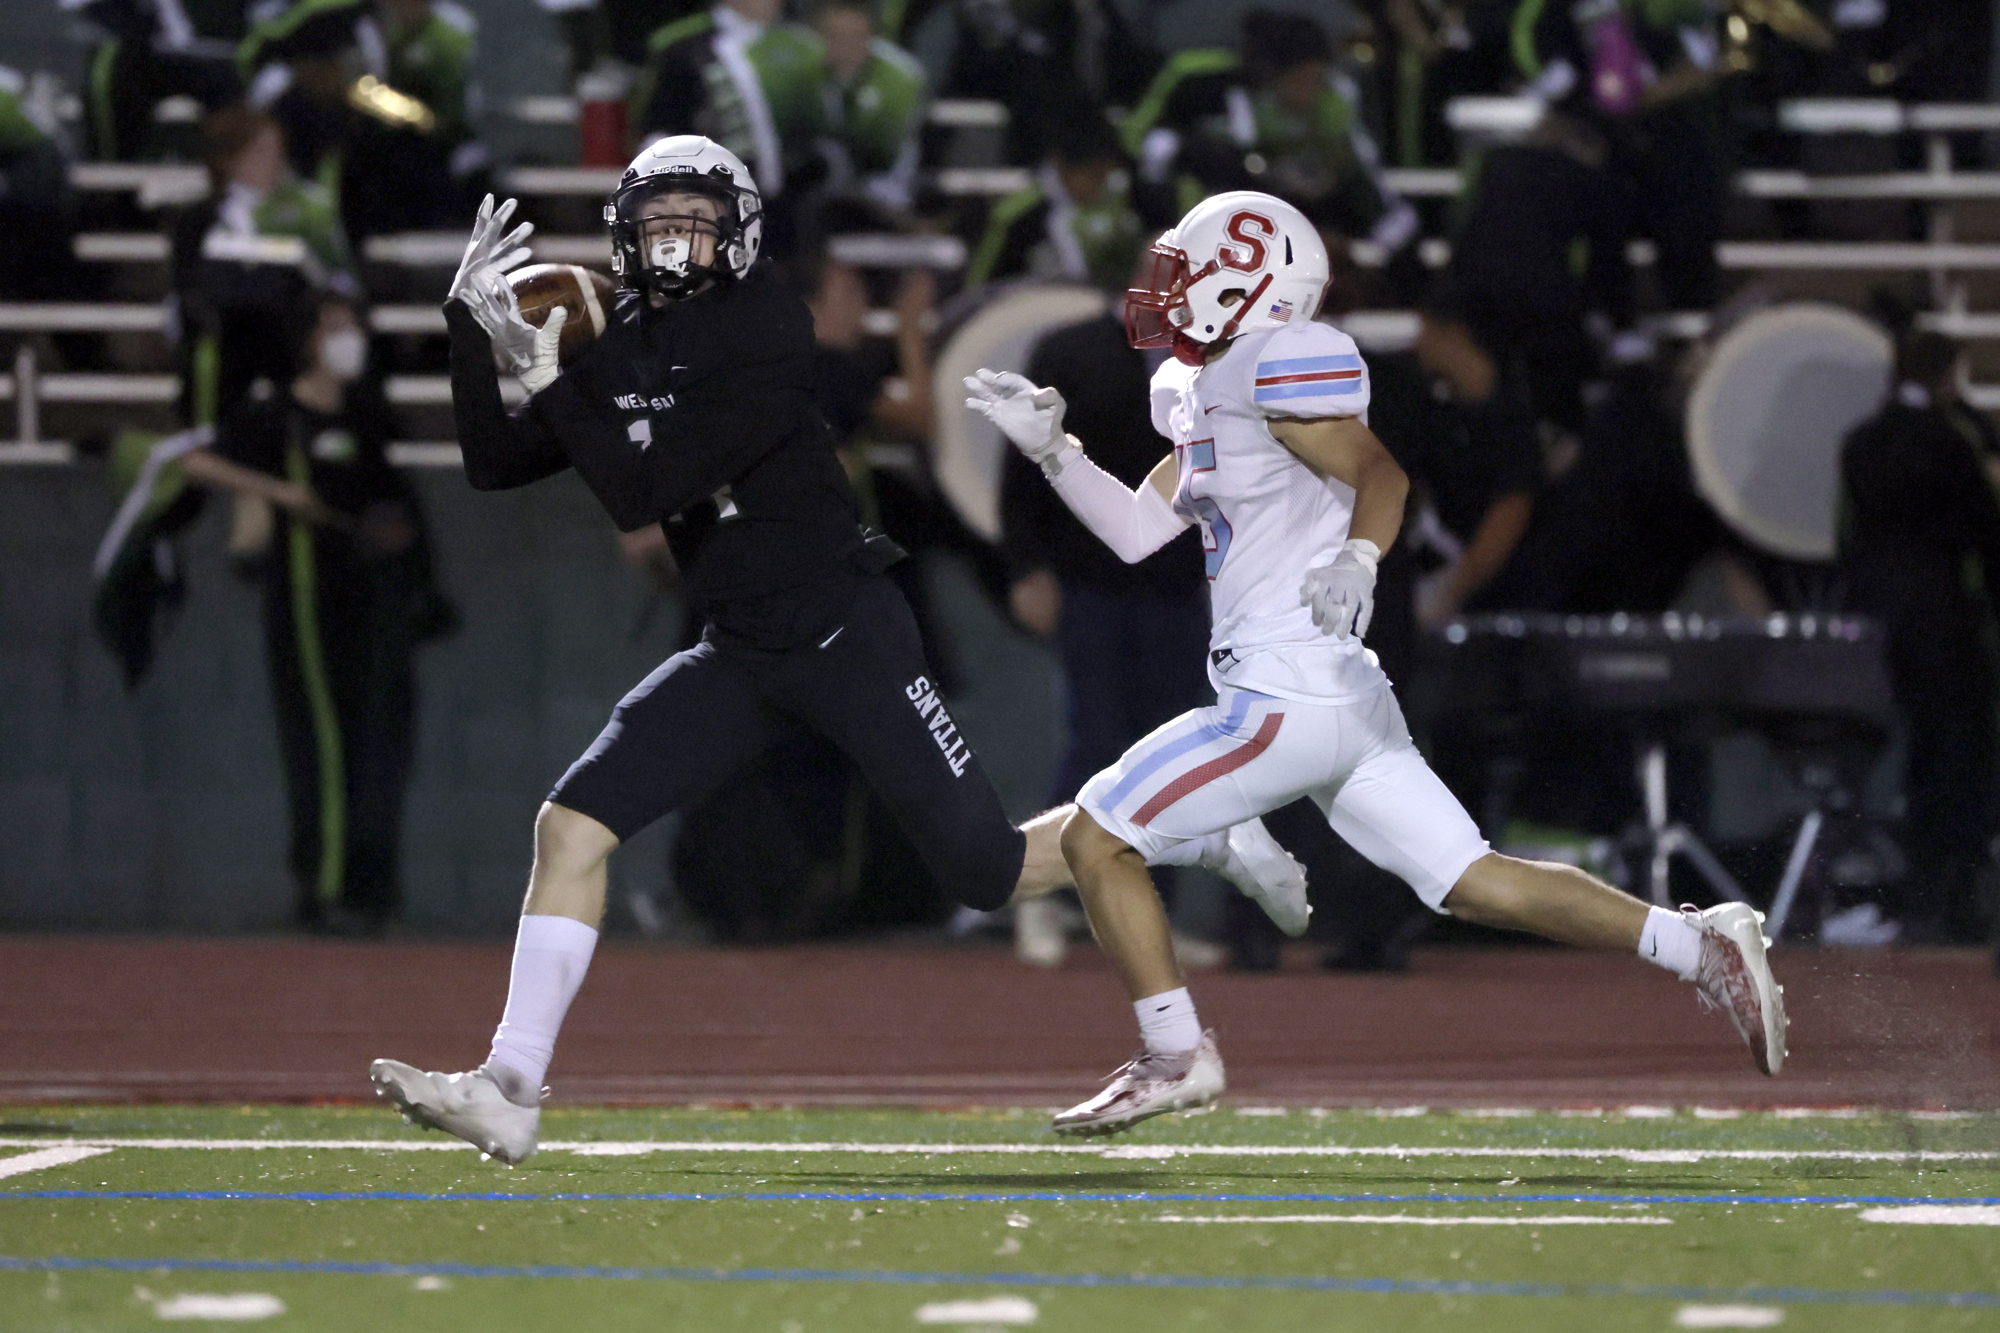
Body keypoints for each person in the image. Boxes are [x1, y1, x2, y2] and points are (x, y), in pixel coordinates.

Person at [366, 137, 1304, 1163]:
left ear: (736, 233)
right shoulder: (625, 335)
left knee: (988, 869)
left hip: (841, 630)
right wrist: (468, 330)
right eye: (657, 220)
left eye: (693, 220)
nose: (674, 239)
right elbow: (496, 463)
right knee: (571, 826)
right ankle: (509, 1085)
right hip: (741, 647)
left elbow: (645, 490)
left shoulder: (764, 323)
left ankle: (1193, 823)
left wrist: (554, 378)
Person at [968, 189, 1789, 1136]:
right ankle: (1697, 944)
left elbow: (1380, 472)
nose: (1169, 288)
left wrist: (1361, 555)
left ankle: (1177, 1044)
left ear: (1254, 285)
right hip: (1338, 696)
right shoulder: (1210, 386)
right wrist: (1056, 453)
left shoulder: (1275, 363)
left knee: (1096, 838)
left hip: (1280, 695)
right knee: (1475, 880)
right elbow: (1135, 532)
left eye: (1191, 269)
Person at [180, 291, 453, 930]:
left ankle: (367, 886)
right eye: (335, 328)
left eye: (354, 327)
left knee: (374, 744)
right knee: (321, 742)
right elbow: (196, 460)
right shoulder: (276, 415)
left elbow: (390, 500)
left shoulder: (367, 416)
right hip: (307, 601)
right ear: (308, 339)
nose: (347, 340)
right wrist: (282, 494)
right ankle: (323, 885)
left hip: (372, 604)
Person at [1841, 331, 2000, 945]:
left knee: (1897, 758)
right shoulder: (1953, 441)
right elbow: (1985, 530)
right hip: (1943, 622)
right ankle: (1952, 894)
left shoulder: (1862, 443)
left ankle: (1900, 890)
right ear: (1949, 375)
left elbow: (1846, 535)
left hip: (1877, 623)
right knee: (1957, 756)